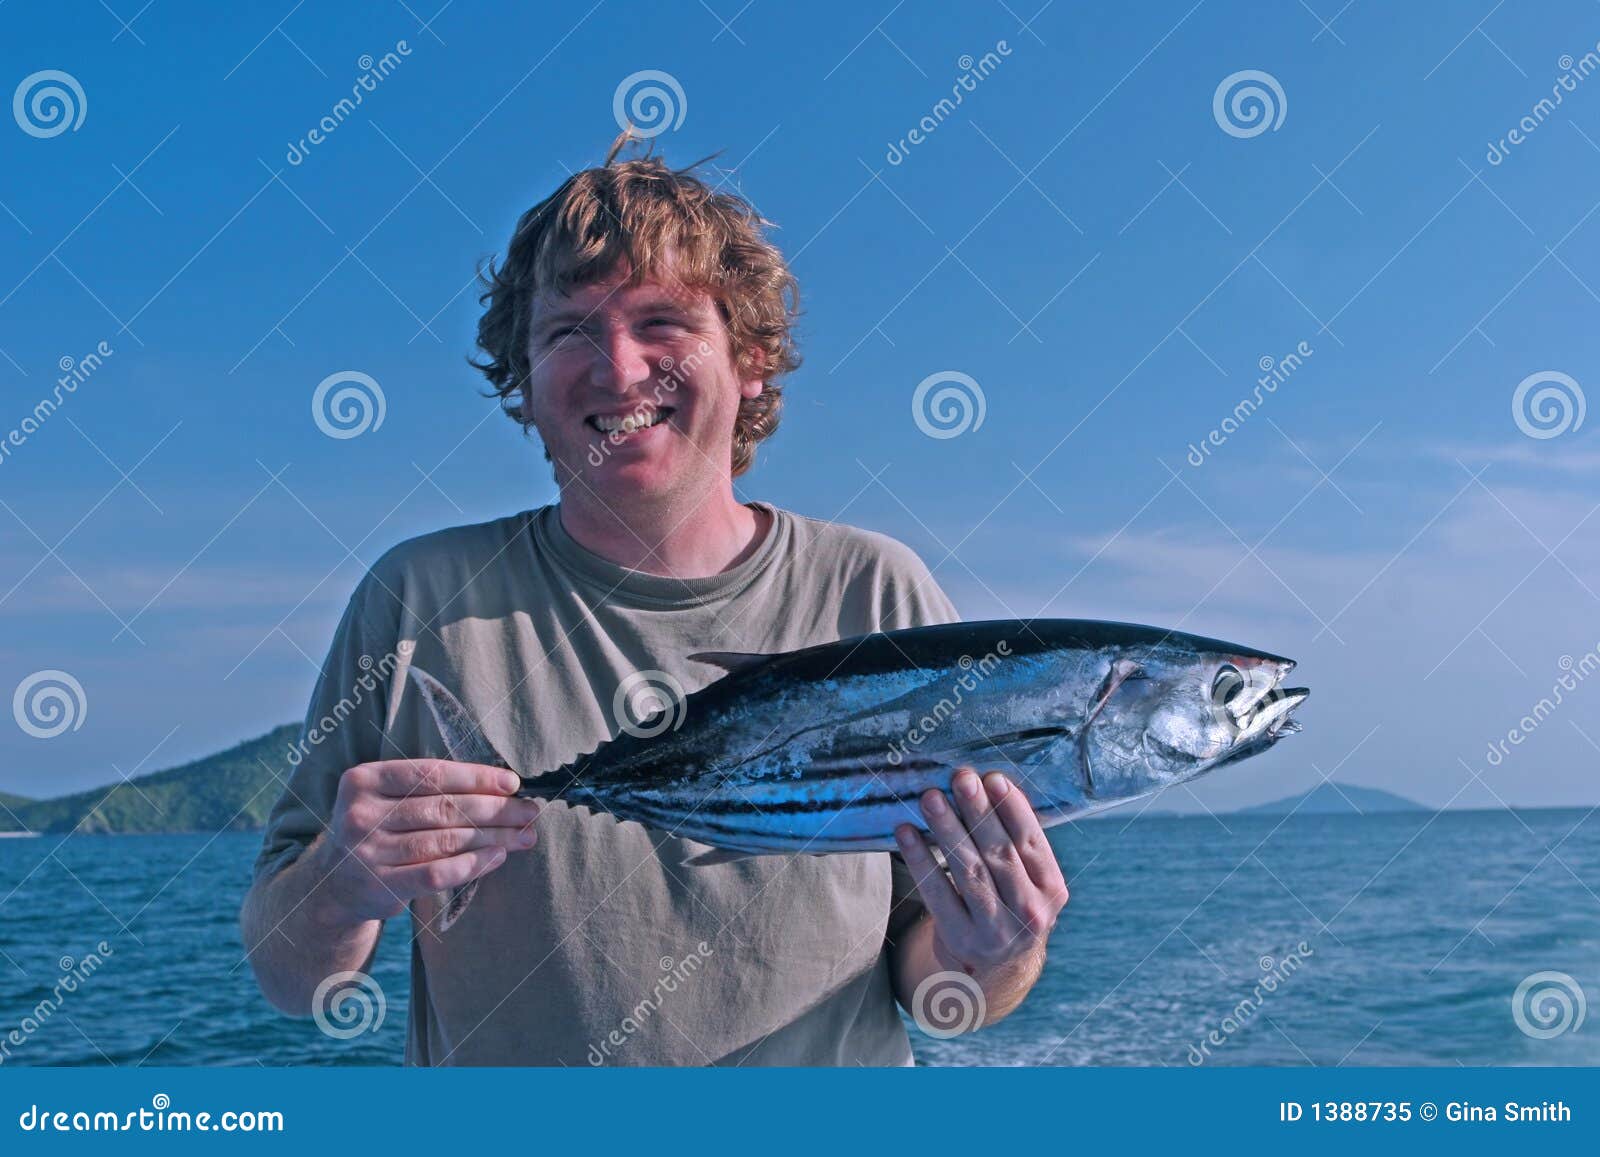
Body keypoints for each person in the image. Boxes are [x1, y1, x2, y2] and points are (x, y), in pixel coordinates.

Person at [239, 132, 1068, 1065]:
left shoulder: (875, 591)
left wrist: (998, 945)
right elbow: (290, 976)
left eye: (663, 323)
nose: (620, 369)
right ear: (523, 379)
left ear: (750, 358)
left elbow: (938, 982)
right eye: (568, 331)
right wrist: (342, 887)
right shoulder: (420, 597)